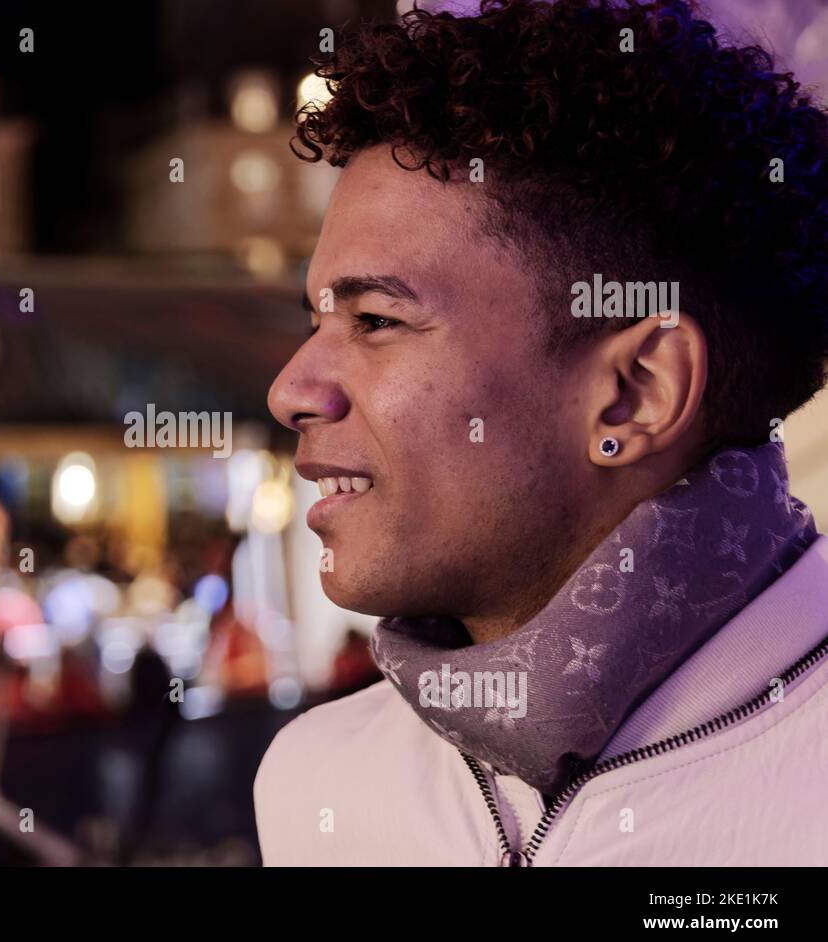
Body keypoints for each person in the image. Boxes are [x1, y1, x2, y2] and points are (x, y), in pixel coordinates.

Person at [255, 0, 828, 865]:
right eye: (317, 320)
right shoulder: (315, 788)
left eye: (375, 319)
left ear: (636, 391)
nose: (290, 390)